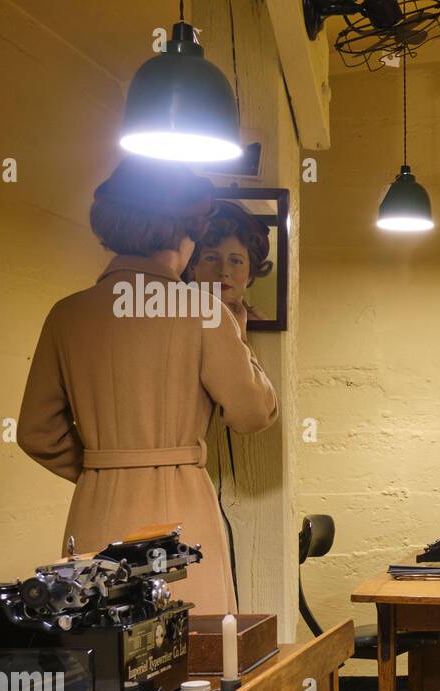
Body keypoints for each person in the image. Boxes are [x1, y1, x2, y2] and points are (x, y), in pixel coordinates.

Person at [17, 157, 278, 614]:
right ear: (183, 231)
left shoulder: (67, 314)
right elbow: (253, 414)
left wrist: (105, 468)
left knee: (104, 659)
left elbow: (36, 431)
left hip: (97, 506)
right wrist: (236, 335)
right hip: (182, 512)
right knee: (198, 657)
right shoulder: (202, 311)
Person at [184, 199, 273, 330]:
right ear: (192, 267)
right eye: (211, 258)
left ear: (250, 274)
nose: (223, 271)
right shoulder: (174, 319)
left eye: (236, 261)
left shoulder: (257, 323)